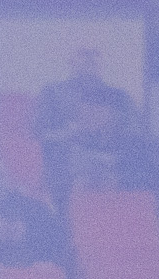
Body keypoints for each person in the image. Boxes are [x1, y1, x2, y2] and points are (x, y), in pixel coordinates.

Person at [35, 49, 135, 204]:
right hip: (67, 165)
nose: (90, 59)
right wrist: (71, 131)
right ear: (71, 60)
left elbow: (132, 133)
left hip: (113, 164)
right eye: (84, 53)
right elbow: (40, 133)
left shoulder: (120, 97)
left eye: (95, 53)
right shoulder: (52, 93)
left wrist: (107, 130)